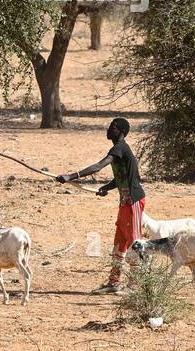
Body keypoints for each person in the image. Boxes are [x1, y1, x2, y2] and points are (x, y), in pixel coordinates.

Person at [56, 117, 146, 294]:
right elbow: (121, 176)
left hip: (133, 202)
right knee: (119, 243)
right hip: (124, 202)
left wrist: (71, 176)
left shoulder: (119, 148)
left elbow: (98, 166)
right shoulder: (119, 149)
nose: (108, 129)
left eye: (112, 127)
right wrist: (106, 187)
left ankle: (135, 286)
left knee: (135, 242)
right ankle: (114, 282)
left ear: (120, 131)